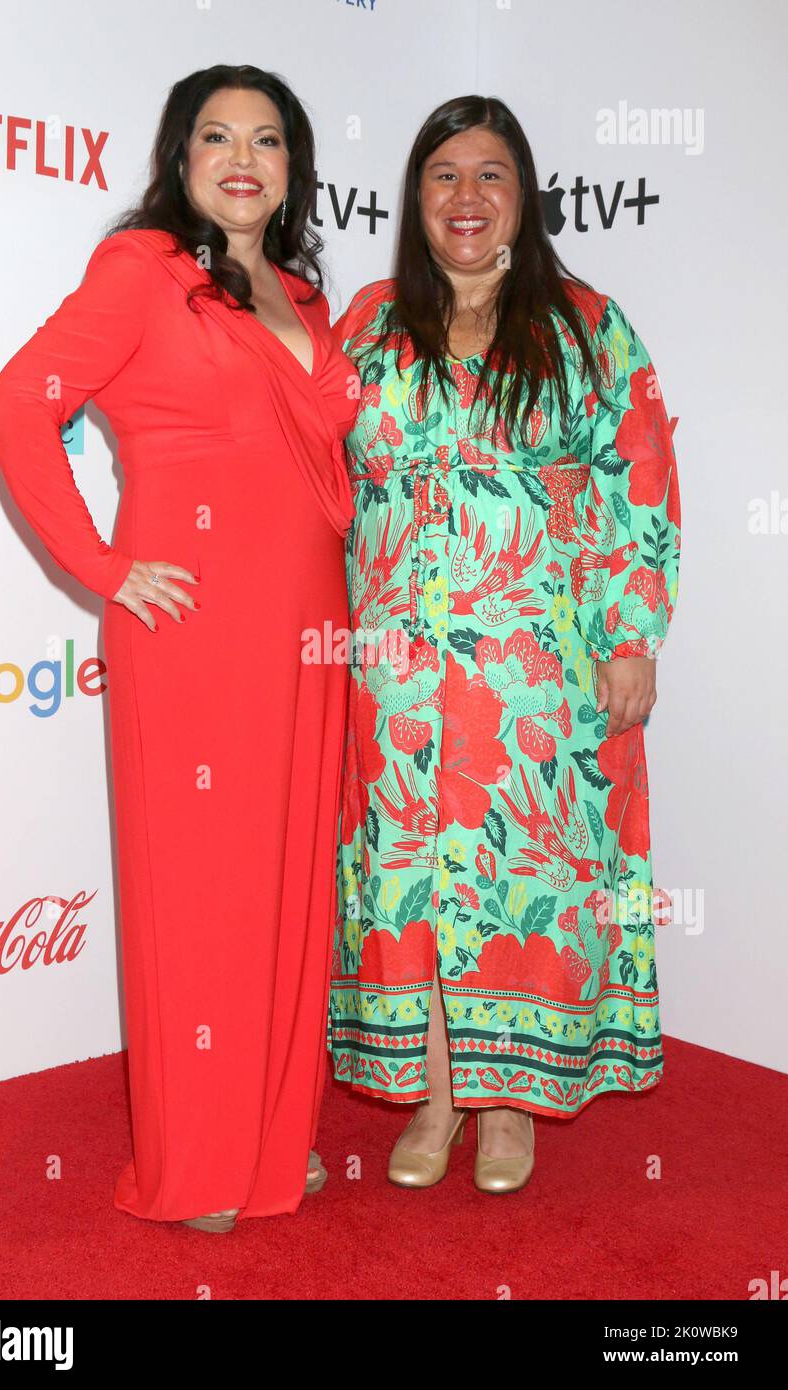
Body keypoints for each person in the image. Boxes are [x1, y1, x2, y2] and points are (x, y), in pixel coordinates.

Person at [0, 65, 359, 1232]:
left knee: (294, 882)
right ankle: (201, 1164)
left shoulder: (299, 292)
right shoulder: (142, 272)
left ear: (294, 169)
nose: (241, 158)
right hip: (194, 629)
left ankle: (267, 1141)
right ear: (178, 155)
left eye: (267, 140)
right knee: (202, 894)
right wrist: (100, 566)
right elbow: (15, 403)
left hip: (308, 627)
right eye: (216, 136)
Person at [328, 95, 680, 1193]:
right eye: (442, 174)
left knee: (526, 878)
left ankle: (511, 1104)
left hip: (537, 674)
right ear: (414, 198)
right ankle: (436, 1092)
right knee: (416, 887)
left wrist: (629, 636)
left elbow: (638, 479)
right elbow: (309, 472)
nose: (465, 197)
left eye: (489, 175)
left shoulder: (586, 323)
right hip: (395, 676)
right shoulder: (369, 322)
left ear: (523, 195)